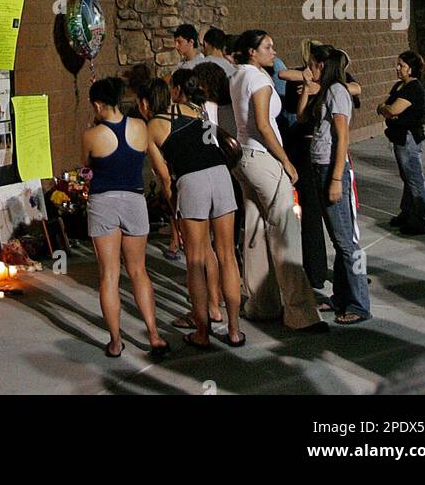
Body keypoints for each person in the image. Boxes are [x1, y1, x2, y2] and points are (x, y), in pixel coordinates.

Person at [230, 30, 324, 332]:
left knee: (255, 232)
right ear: (251, 52)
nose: (274, 51)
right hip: (263, 158)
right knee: (285, 231)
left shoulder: (238, 76)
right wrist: (285, 160)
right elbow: (263, 124)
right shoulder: (258, 79)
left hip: (244, 158)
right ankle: (299, 313)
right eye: (267, 47)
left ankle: (261, 304)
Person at [144, 72, 244, 349]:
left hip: (192, 181)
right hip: (222, 175)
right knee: (227, 256)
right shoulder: (197, 110)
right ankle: (234, 330)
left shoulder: (153, 125)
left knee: (196, 260)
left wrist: (174, 209)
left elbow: (164, 176)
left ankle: (202, 331)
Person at [82, 76, 168, 358]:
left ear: (97, 104)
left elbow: (87, 167)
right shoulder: (140, 127)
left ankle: (116, 341)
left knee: (109, 275)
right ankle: (154, 334)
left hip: (103, 202)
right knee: (139, 271)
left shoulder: (91, 135)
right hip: (134, 200)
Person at [298, 46, 371, 324]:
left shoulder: (338, 91)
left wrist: (337, 178)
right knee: (339, 242)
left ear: (322, 65)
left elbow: (343, 137)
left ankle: (360, 303)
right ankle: (342, 297)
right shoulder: (325, 91)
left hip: (332, 169)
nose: (310, 70)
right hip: (320, 167)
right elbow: (303, 117)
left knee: (348, 243)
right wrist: (306, 87)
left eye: (312, 66)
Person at [377, 51, 425, 236]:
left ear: (411, 68)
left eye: (402, 65)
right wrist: (386, 108)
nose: (398, 68)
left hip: (409, 139)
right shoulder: (400, 86)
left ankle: (421, 221)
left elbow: (391, 109)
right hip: (399, 138)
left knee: (415, 179)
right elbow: (387, 107)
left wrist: (387, 109)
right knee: (407, 178)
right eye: (398, 64)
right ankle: (407, 213)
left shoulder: (413, 88)